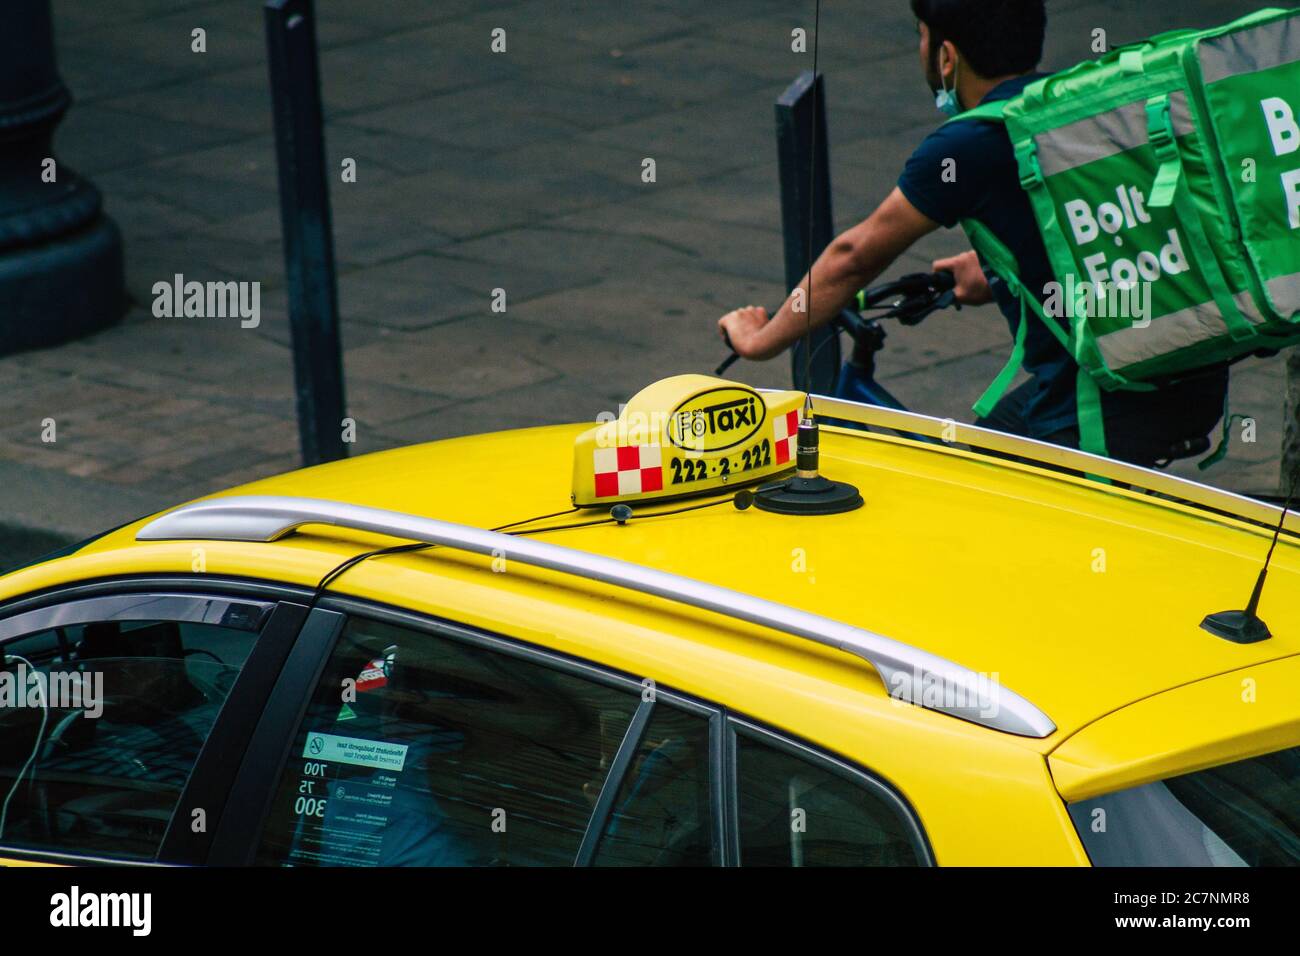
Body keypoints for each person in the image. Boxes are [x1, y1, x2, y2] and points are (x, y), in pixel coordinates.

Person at [717, 0, 1227, 468]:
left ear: (946, 57)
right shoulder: (1073, 102)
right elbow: (1100, 222)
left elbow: (852, 258)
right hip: (1185, 374)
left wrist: (761, 340)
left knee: (971, 494)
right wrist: (990, 270)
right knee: (984, 447)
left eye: (921, 36)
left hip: (1100, 401)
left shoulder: (967, 144)